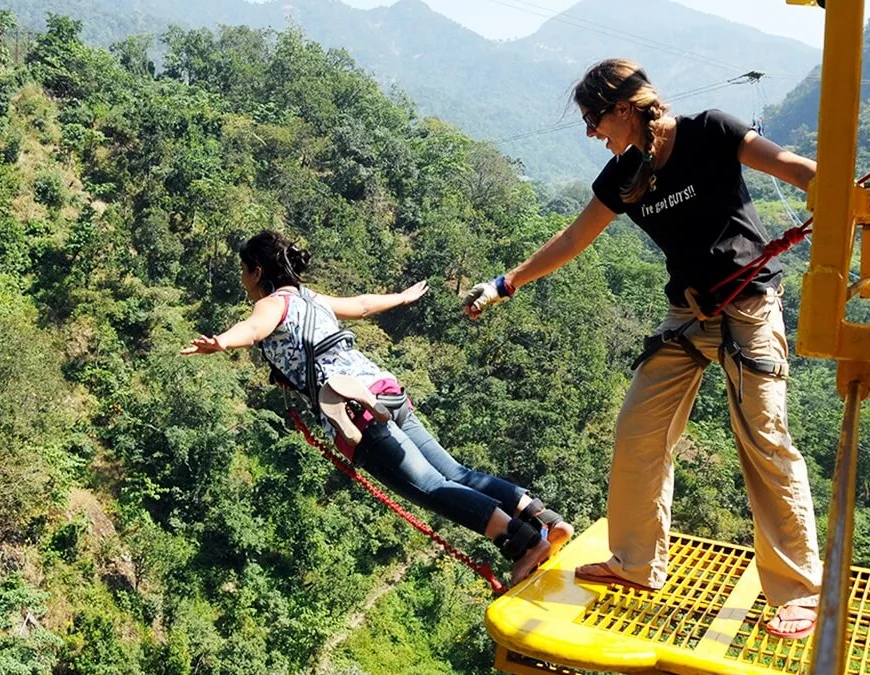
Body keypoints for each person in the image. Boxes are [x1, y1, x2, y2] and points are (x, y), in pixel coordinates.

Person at [463, 58, 821, 638]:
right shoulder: (625, 176)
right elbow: (575, 238)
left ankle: (800, 590)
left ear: (624, 108)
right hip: (688, 312)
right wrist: (507, 284)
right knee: (638, 431)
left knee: (763, 436)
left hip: (749, 306)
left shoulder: (712, 131)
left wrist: (835, 193)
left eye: (593, 119)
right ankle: (637, 563)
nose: (590, 134)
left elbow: (793, 168)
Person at [181, 229, 574, 586]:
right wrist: (401, 298)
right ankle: (547, 522)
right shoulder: (310, 298)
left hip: (356, 410)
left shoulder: (272, 304)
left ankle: (525, 545)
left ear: (258, 270)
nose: (242, 279)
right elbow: (364, 305)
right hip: (384, 390)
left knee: (434, 488)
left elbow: (252, 330)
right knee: (456, 472)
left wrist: (221, 341)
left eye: (243, 271)